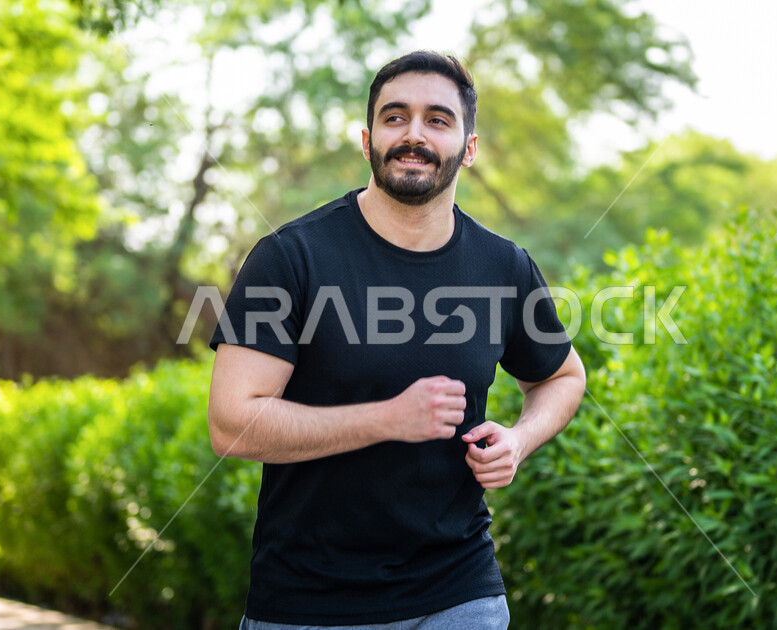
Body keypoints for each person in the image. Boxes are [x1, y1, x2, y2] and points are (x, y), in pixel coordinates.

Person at [208, 50, 587, 629]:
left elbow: (561, 376)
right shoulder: (290, 258)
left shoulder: (503, 265)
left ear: (470, 147)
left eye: (437, 119)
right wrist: (386, 419)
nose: (414, 135)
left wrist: (520, 438)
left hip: (460, 591)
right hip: (310, 601)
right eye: (395, 117)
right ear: (367, 140)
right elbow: (231, 424)